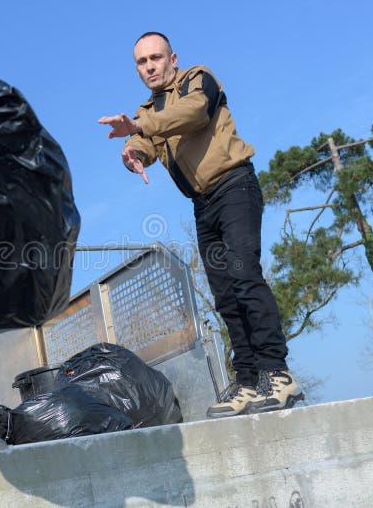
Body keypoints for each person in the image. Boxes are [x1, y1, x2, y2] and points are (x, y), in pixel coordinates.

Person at [99, 32, 304, 417]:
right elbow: (147, 142)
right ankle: (247, 380)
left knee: (244, 276)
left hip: (234, 186)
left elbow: (193, 113)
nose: (150, 67)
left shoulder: (197, 78)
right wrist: (132, 153)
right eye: (141, 63)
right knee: (225, 293)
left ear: (172, 58)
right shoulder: (148, 111)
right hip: (202, 205)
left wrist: (142, 129)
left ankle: (277, 374)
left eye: (155, 58)